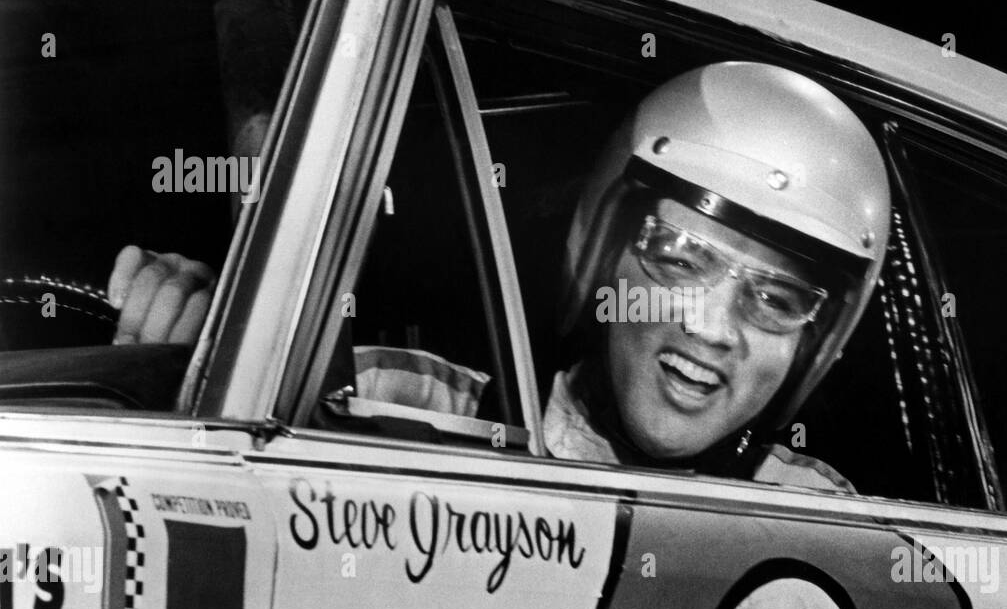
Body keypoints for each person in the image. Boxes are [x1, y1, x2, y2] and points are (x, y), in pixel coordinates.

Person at [107, 61, 891, 493]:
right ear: (604, 255)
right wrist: (200, 345)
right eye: (679, 257)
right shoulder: (431, 407)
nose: (713, 325)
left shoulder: (816, 514)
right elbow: (281, 401)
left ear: (813, 345)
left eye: (777, 299)